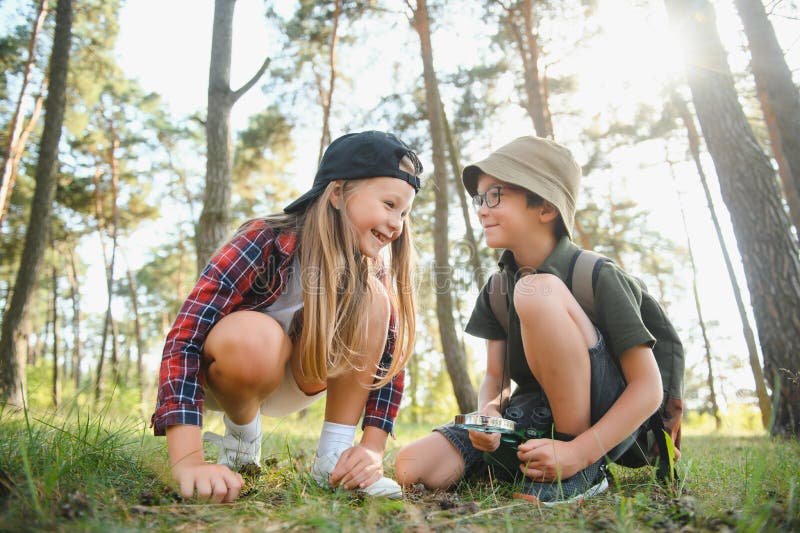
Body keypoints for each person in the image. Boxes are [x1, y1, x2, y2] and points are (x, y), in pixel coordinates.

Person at [151, 131, 422, 503]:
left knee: (372, 297)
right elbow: (186, 335)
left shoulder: (371, 270)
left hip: (303, 376)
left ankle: (334, 456)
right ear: (338, 194)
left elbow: (387, 361)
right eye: (389, 204)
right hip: (234, 374)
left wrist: (371, 448)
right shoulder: (264, 239)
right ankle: (243, 439)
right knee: (256, 335)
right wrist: (188, 461)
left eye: (404, 213)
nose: (397, 223)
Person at [394, 136, 663, 505]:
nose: (482, 210)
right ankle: (517, 460)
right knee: (411, 466)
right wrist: (489, 411)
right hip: (527, 415)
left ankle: (580, 468)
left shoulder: (597, 275)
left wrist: (579, 453)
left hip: (591, 427)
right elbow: (496, 377)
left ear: (546, 208)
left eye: (496, 196)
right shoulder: (497, 289)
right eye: (479, 198)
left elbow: (648, 388)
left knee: (536, 292)